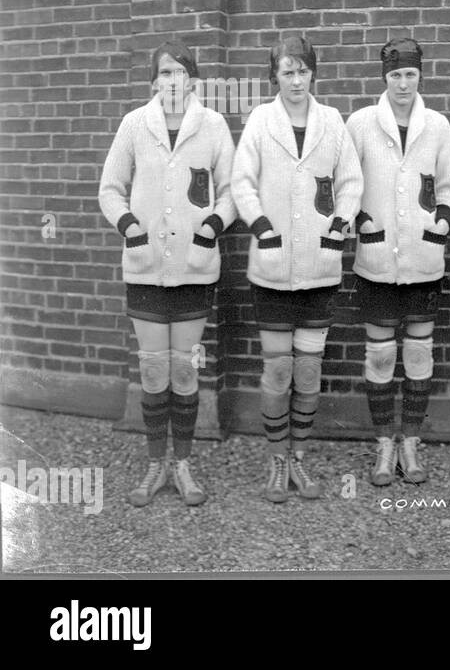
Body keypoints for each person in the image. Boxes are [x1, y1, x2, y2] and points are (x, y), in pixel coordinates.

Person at [98, 41, 236, 507]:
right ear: (155, 80)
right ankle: (155, 463)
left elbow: (232, 192)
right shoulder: (135, 124)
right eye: (164, 72)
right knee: (154, 371)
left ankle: (184, 464)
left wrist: (211, 229)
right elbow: (110, 189)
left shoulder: (213, 126)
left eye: (180, 72)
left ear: (192, 80)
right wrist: (131, 227)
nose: (172, 80)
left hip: (195, 269)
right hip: (145, 268)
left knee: (185, 371)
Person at [231, 35, 362, 503]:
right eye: (287, 72)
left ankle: (300, 460)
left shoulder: (332, 121)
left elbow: (351, 183)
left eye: (303, 71)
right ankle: (276, 459)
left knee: (308, 373)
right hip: (271, 267)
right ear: (275, 77)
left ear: (313, 74)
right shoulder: (261, 121)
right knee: (278, 371)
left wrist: (339, 226)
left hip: (318, 268)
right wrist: (263, 226)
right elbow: (241, 182)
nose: (296, 80)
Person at [346, 38, 450, 486]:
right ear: (383, 78)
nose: (403, 83)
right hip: (376, 255)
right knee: (379, 357)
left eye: (410, 74)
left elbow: (446, 186)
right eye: (395, 75)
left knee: (418, 354)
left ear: (420, 76)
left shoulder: (437, 125)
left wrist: (443, 222)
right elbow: (345, 182)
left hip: (423, 254)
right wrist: (362, 220)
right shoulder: (361, 123)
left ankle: (411, 441)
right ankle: (383, 444)